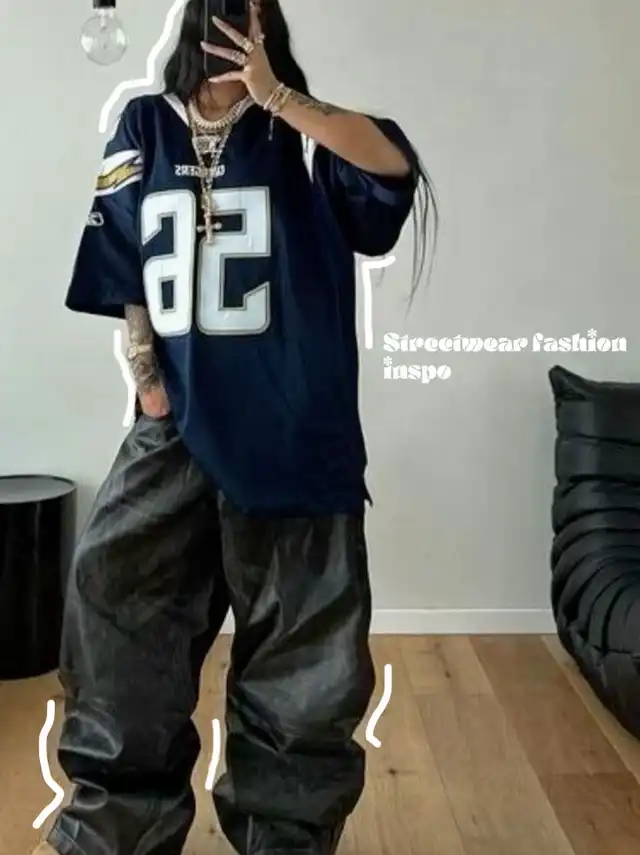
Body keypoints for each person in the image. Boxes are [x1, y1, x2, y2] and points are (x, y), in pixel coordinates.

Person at [35, 2, 436, 854]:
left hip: (296, 434)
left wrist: (277, 93)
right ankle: (115, 831)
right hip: (177, 428)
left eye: (247, 24)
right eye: (217, 22)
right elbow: (123, 256)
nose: (227, 40)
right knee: (117, 610)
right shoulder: (145, 123)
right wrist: (146, 379)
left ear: (268, 34)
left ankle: (283, 836)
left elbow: (392, 166)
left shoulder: (303, 137)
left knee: (303, 663)